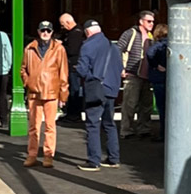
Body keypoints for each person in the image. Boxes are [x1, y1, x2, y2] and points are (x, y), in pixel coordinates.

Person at [75, 19, 123, 170]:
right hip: (111, 90)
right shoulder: (113, 47)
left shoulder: (87, 46)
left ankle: (93, 161)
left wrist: (87, 75)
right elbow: (120, 68)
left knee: (93, 124)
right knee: (109, 124)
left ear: (87, 32)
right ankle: (113, 158)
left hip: (96, 90)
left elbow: (82, 69)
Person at [20, 19, 68, 169]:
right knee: (33, 126)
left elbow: (63, 73)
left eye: (48, 30)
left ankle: (48, 155)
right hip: (34, 92)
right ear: (38, 31)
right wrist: (28, 82)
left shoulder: (59, 49)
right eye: (43, 30)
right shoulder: (29, 48)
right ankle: (32, 154)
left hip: (52, 91)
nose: (45, 33)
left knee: (50, 126)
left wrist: (63, 95)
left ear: (52, 32)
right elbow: (23, 69)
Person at [117, 11, 156, 138]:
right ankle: (126, 130)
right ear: (141, 21)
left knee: (146, 105)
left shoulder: (151, 36)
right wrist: (121, 68)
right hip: (132, 74)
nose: (152, 24)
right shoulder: (131, 33)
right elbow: (118, 49)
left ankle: (143, 129)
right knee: (130, 104)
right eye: (149, 21)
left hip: (147, 76)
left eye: (153, 21)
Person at [57, 14, 86, 120]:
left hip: (74, 65)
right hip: (73, 65)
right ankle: (72, 113)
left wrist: (61, 45)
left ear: (68, 23)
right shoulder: (73, 32)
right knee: (72, 89)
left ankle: (74, 114)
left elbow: (72, 50)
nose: (62, 27)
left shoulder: (76, 34)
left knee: (74, 89)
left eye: (62, 25)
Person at [146, 22, 169, 134]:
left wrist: (156, 65)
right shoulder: (172, 44)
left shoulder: (158, 44)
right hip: (170, 79)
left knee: (162, 107)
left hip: (159, 78)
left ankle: (163, 132)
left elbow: (149, 53)